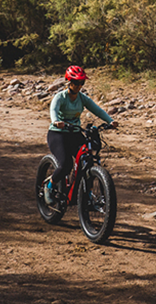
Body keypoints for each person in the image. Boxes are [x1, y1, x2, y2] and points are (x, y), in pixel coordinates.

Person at [45, 65, 115, 206]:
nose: (78, 86)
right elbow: (54, 109)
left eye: (81, 83)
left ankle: (86, 194)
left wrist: (110, 121)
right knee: (66, 164)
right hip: (58, 134)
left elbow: (98, 110)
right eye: (76, 82)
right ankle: (49, 187)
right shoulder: (60, 97)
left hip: (75, 133)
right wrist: (56, 121)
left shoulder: (82, 99)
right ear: (68, 82)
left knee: (87, 161)